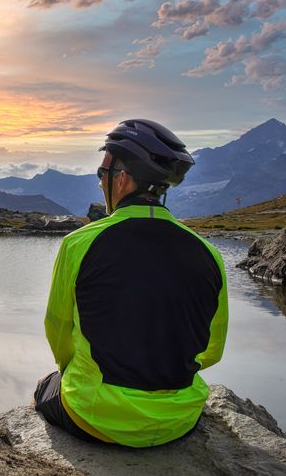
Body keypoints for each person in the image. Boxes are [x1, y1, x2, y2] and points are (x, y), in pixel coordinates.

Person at [34, 119, 228, 447]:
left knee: (45, 387)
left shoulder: (79, 244)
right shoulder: (209, 253)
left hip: (97, 419)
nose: (99, 184)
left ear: (121, 179)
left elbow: (58, 330)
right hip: (180, 420)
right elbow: (212, 351)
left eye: (101, 175)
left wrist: (74, 372)